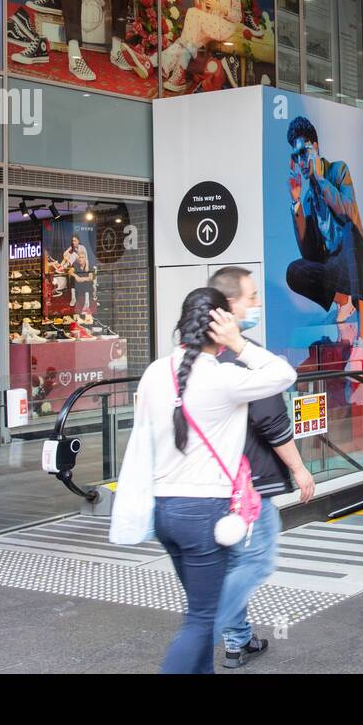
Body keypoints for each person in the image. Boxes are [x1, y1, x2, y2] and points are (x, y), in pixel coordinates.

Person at [128, 287, 296, 673]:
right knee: (202, 622)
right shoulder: (224, 378)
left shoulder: (155, 372)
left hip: (164, 511)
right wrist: (239, 343)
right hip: (205, 514)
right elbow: (283, 374)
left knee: (199, 613)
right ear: (219, 327)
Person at [208, 266, 316, 666]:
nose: (256, 303)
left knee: (232, 561)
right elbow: (271, 420)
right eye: (250, 297)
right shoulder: (246, 357)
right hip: (248, 485)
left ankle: (238, 638)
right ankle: (215, 627)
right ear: (230, 305)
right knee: (255, 560)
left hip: (213, 483)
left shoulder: (195, 356)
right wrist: (300, 469)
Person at [284, 115, 363, 346]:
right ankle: (343, 299)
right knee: (294, 270)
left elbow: (349, 212)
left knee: (349, 231)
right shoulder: (307, 197)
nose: (301, 161)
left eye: (304, 153)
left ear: (315, 148)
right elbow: (308, 252)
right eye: (296, 157)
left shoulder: (338, 170)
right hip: (332, 265)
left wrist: (320, 179)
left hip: (353, 255)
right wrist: (296, 202)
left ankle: (362, 332)